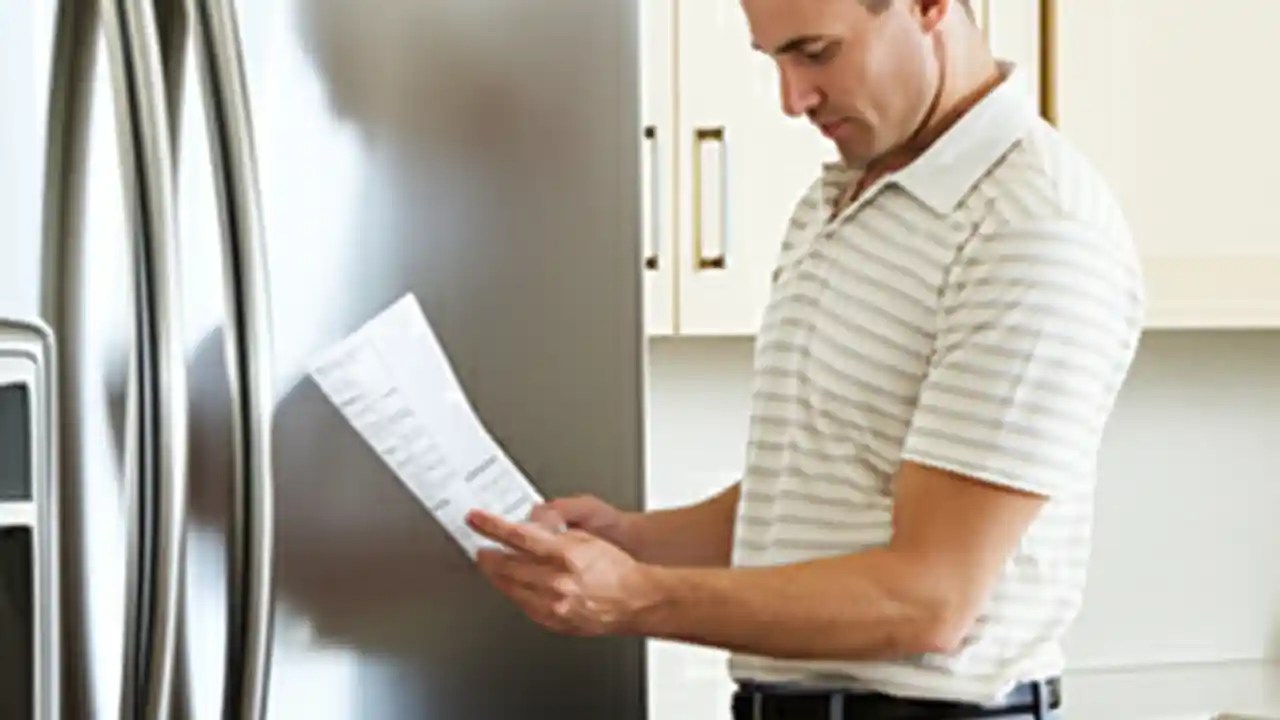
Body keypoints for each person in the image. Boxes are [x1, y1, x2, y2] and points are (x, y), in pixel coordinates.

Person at [466, 0, 1145, 717]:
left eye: (816, 53)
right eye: (775, 60)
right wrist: (635, 541)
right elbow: (816, 489)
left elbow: (930, 600)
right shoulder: (843, 197)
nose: (793, 100)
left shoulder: (1033, 227)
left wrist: (637, 597)